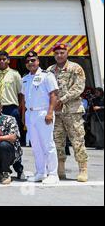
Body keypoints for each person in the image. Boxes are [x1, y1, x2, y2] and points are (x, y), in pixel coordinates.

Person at [47, 44, 88, 182]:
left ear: (67, 53)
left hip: (72, 111)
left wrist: (62, 99)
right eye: (57, 52)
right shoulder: (50, 70)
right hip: (57, 113)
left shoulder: (76, 68)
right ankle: (60, 169)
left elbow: (79, 87)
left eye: (62, 52)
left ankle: (83, 169)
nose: (59, 55)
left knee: (77, 140)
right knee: (57, 141)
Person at [21, 51, 59, 184]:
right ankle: (41, 172)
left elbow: (54, 95)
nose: (30, 63)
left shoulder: (47, 76)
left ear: (38, 61)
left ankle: (53, 173)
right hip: (30, 114)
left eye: (33, 60)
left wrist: (50, 113)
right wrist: (24, 117)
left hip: (43, 113)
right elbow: (24, 99)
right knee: (35, 145)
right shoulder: (25, 79)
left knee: (47, 144)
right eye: (28, 61)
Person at [0, 50, 25, 179]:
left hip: (11, 108)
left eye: (4, 59)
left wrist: (20, 110)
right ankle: (1, 168)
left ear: (8, 60)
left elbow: (21, 94)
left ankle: (19, 168)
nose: (2, 61)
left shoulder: (15, 75)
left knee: (14, 139)